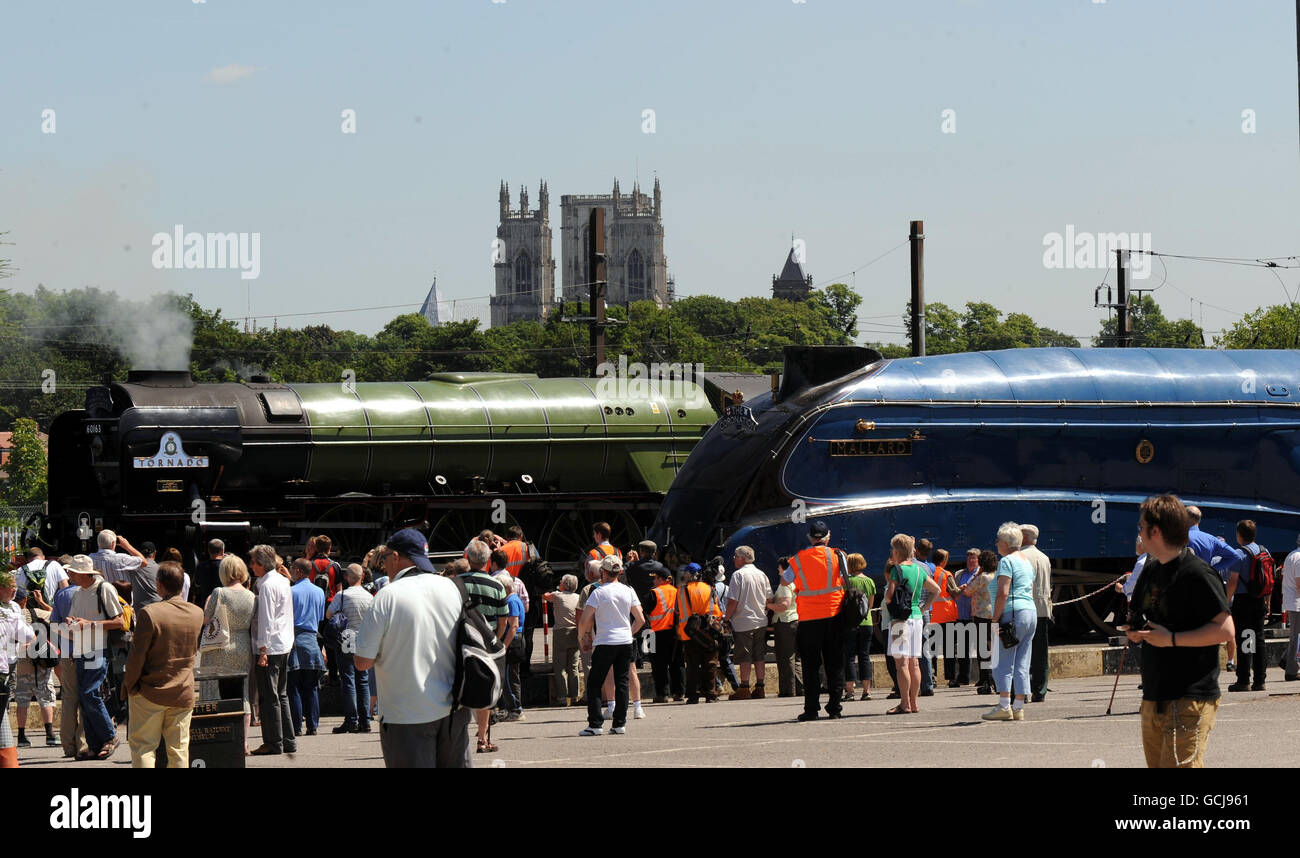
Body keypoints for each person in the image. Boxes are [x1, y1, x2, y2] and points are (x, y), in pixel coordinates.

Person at [1126, 494, 1234, 768]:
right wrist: (1135, 631)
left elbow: (1225, 629)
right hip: (1154, 696)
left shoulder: (1197, 573)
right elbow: (1143, 616)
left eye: (1141, 527)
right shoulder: (1151, 570)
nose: (1138, 533)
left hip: (1189, 697)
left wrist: (1171, 640)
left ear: (1156, 531)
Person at [354, 528, 471, 768]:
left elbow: (362, 662)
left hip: (406, 715)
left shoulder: (387, 596)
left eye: (384, 559)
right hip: (454, 709)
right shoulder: (452, 588)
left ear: (395, 557)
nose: (384, 565)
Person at [121, 561, 203, 768]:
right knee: (179, 750)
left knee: (144, 747)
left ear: (159, 585)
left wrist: (129, 685)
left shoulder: (150, 613)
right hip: (183, 689)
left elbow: (136, 657)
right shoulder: (197, 613)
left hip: (150, 690)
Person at [784, 521, 854, 721]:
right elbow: (845, 577)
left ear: (810, 538)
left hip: (808, 619)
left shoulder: (798, 559)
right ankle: (835, 708)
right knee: (834, 664)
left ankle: (811, 709)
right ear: (828, 537)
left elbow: (785, 580)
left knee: (810, 666)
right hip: (834, 615)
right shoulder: (838, 555)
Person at [62, 554, 127, 760]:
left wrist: (87, 624)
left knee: (89, 693)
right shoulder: (79, 592)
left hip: (98, 648)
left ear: (83, 573)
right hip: (82, 649)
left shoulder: (104, 588)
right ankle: (94, 743)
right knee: (84, 696)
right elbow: (76, 621)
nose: (69, 575)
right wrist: (73, 625)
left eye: (72, 572)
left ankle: (109, 736)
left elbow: (118, 622)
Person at [577, 554, 645, 735]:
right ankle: (619, 724)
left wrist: (582, 638)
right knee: (622, 682)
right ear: (619, 571)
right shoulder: (628, 590)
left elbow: (585, 620)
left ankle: (595, 724)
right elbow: (640, 619)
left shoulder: (598, 592)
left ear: (603, 572)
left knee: (594, 683)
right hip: (625, 642)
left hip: (605, 641)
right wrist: (628, 633)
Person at [196, 555, 256, 754]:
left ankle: (216, 739)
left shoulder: (219, 592)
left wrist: (205, 606)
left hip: (219, 645)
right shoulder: (251, 595)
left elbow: (206, 619)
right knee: (242, 693)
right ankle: (243, 742)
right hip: (242, 644)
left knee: (213, 689)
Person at [983, 523, 1037, 721]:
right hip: (1030, 613)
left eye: (998, 540)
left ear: (1006, 543)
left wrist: (995, 619)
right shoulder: (1026, 562)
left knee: (1003, 660)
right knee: (1023, 660)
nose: (996, 543)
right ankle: (1019, 706)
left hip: (1011, 614)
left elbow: (1003, 593)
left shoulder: (1006, 562)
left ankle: (1004, 705)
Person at [459, 540, 509, 754]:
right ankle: (482, 739)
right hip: (485, 644)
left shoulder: (456, 583)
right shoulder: (497, 585)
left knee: (457, 687)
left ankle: (456, 738)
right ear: (488, 560)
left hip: (460, 641)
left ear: (468, 558)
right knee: (484, 690)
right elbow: (504, 620)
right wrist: (494, 639)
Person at [883, 534, 940, 715]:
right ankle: (914, 703)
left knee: (901, 664)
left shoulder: (896, 570)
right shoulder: (919, 570)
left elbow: (889, 596)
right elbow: (936, 590)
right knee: (914, 663)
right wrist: (924, 608)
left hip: (900, 620)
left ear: (897, 551)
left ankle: (905, 703)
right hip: (917, 618)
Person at [250, 544, 296, 755]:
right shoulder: (282, 580)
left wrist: (262, 650)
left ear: (261, 564)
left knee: (270, 697)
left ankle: (274, 742)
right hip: (283, 642)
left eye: (253, 563)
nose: (251, 567)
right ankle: (287, 741)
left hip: (272, 645)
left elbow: (266, 619)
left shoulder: (267, 585)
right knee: (281, 695)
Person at [1223, 519, 1270, 692]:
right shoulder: (1264, 551)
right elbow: (1267, 580)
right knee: (1259, 639)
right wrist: (1267, 601)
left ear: (1239, 534)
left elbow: (1233, 581)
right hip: (1259, 599)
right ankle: (1260, 680)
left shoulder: (1238, 554)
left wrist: (1226, 601)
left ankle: (1243, 680)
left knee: (1245, 639)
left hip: (1243, 601)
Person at [328, 563, 375, 733]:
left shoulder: (342, 596)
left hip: (346, 640)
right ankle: (365, 721)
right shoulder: (370, 597)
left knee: (348, 680)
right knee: (363, 680)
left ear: (347, 577)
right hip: (363, 642)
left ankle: (351, 720)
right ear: (362, 577)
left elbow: (328, 615)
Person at [723, 546, 772, 701]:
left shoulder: (738, 575)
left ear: (742, 558)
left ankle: (744, 687)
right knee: (759, 656)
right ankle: (760, 686)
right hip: (760, 620)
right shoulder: (762, 574)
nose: (734, 559)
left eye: (735, 556)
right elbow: (769, 599)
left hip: (743, 622)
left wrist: (726, 618)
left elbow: (732, 601)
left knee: (744, 656)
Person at [13, 585, 59, 749]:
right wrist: (42, 602)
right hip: (40, 664)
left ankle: (21, 736)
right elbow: (55, 615)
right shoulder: (36, 613)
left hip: (19, 665)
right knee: (46, 697)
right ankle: (50, 734)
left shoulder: (7, 616)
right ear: (25, 600)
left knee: (22, 701)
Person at [49, 572, 87, 758]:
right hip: (90, 650)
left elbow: (54, 624)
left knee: (69, 698)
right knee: (88, 697)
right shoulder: (89, 592)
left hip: (67, 652)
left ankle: (68, 745)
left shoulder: (61, 595)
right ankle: (83, 744)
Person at [0, 571, 36, 768]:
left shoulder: (12, 608)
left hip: (8, 663)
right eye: (10, 586)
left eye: (15, 586)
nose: (15, 590)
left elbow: (28, 634)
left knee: (5, 705)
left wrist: (31, 642)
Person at [286, 558, 326, 736]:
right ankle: (313, 725)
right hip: (312, 639)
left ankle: (296, 726)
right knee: (311, 686)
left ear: (299, 572)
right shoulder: (319, 592)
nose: (291, 572)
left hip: (294, 639)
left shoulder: (291, 591)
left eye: (292, 569)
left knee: (293, 685)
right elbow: (320, 618)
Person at [676, 563, 721, 704]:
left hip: (689, 632)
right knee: (711, 663)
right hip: (709, 631)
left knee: (692, 665)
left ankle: (693, 695)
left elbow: (678, 611)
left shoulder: (682, 591)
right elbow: (718, 610)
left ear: (690, 574)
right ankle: (711, 694)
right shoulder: (710, 588)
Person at [1019, 525, 1053, 702]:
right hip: (1043, 609)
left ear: (1024, 538)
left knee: (1023, 652)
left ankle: (1023, 691)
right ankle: (1040, 690)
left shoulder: (1020, 557)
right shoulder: (1045, 558)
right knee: (1041, 653)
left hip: (1025, 609)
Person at [642, 567, 682, 703]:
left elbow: (644, 612)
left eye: (655, 578)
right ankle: (679, 693)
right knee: (677, 663)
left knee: (659, 666)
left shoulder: (654, 593)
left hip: (656, 633)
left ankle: (662, 694)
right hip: (676, 633)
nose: (653, 580)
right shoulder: (678, 592)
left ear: (661, 579)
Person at [842, 553, 876, 702]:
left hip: (849, 623)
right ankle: (866, 691)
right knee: (864, 655)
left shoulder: (845, 582)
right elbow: (870, 605)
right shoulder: (869, 582)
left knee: (849, 656)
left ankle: (850, 691)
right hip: (866, 622)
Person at [544, 575, 582, 705]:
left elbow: (545, 595)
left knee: (559, 666)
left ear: (564, 584)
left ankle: (562, 696)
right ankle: (575, 695)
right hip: (575, 631)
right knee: (573, 665)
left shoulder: (557, 596)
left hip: (561, 632)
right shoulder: (578, 597)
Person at [494, 570, 526, 721]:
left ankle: (515, 708)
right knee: (511, 676)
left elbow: (513, 626)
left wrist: (504, 646)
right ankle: (512, 707)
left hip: (513, 642)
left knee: (508, 677)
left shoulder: (511, 601)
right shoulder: (513, 599)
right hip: (514, 640)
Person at [767, 556, 799, 697]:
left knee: (786, 657)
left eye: (779, 567)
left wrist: (768, 606)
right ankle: (798, 688)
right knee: (795, 657)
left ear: (783, 568)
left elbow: (784, 605)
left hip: (785, 622)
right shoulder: (795, 582)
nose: (777, 569)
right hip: (794, 620)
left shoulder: (784, 584)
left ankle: (788, 689)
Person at [928, 548, 959, 689]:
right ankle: (951, 679)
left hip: (932, 615)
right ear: (943, 561)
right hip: (946, 615)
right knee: (949, 649)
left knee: (931, 649)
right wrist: (963, 588)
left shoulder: (928, 572)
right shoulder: (946, 574)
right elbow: (954, 592)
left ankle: (931, 677)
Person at [88, 529, 144, 605]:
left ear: (98, 543)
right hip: (121, 604)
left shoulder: (90, 558)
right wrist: (127, 546)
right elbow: (143, 562)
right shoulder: (121, 559)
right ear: (113, 543)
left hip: (99, 604)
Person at [952, 549, 981, 687]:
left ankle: (984, 677)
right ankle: (963, 677)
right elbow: (953, 591)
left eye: (973, 558)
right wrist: (958, 589)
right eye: (969, 558)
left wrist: (967, 588)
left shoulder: (980, 574)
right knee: (963, 648)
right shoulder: (959, 574)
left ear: (978, 560)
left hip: (975, 615)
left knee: (982, 648)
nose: (970, 561)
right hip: (961, 615)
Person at [14, 547, 67, 611]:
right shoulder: (54, 565)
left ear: (28, 559)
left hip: (30, 614)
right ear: (43, 557)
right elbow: (65, 590)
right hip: (49, 612)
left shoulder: (20, 570)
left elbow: (18, 597)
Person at [1282, 535, 1300, 682]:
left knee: (1295, 636)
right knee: (1296, 637)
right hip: (1297, 603)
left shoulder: (1291, 555)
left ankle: (1285, 660)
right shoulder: (1299, 558)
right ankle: (1291, 671)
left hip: (1291, 601)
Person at [128, 541, 162, 611]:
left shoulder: (132, 568)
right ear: (154, 554)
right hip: (158, 608)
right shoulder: (161, 569)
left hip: (140, 610)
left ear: (140, 553)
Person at [193, 538, 225, 609]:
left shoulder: (201, 566)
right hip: (223, 606)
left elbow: (197, 584)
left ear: (208, 550)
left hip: (206, 605)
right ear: (223, 551)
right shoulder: (226, 566)